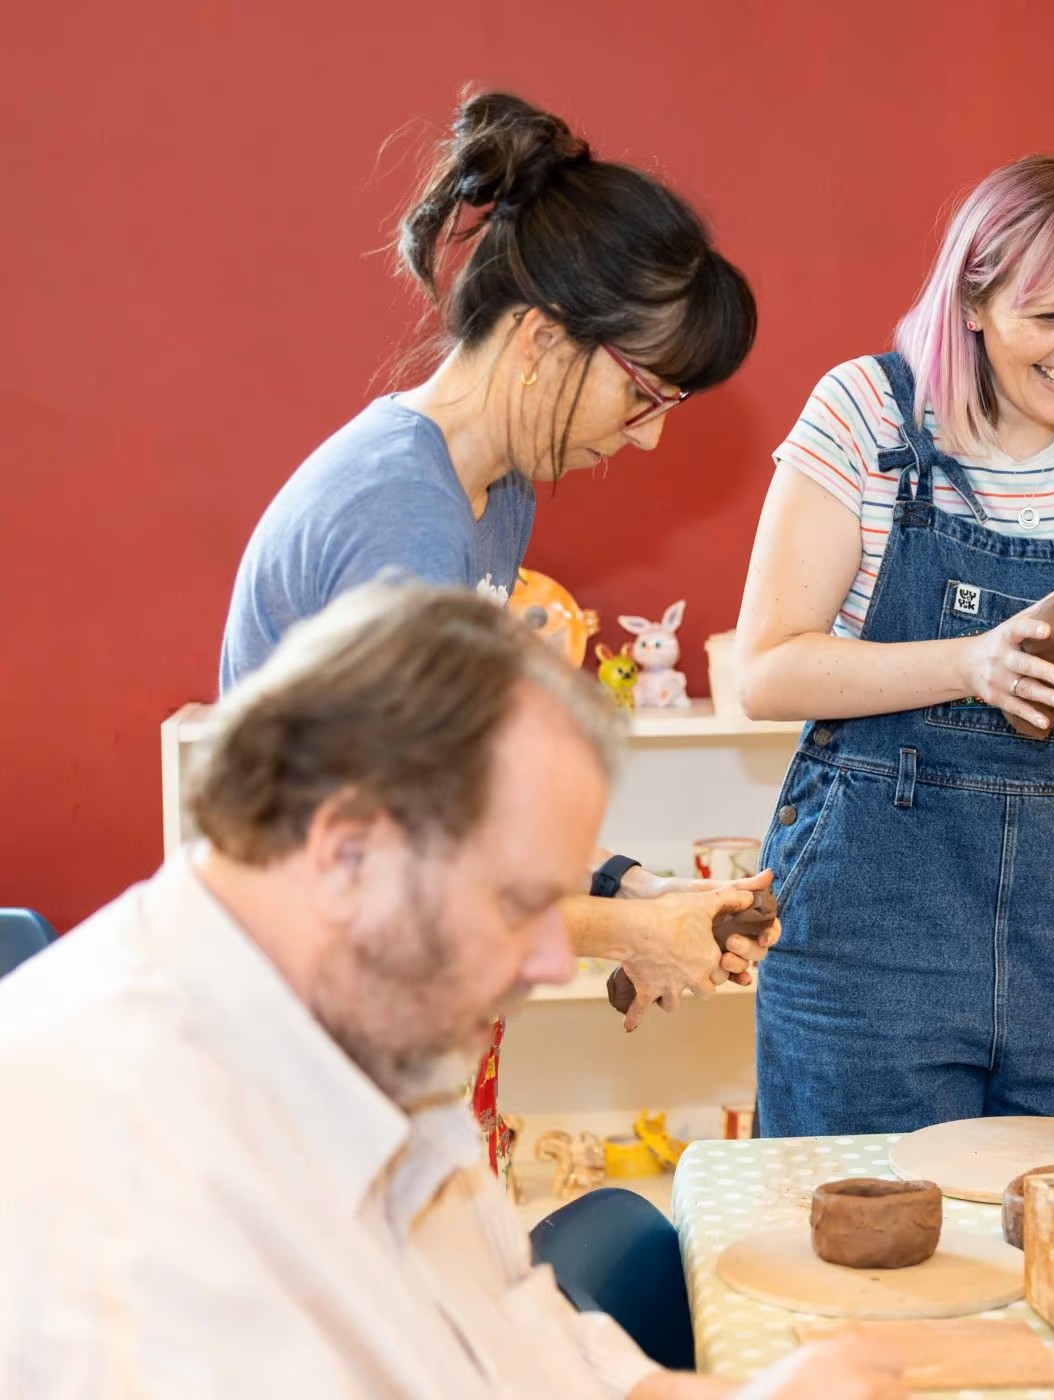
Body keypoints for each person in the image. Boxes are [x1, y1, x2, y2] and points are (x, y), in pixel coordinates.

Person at [0, 585, 900, 1399]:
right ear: (348, 852)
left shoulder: (366, 1024)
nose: (556, 961)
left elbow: (509, 1331)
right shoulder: (111, 1169)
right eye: (520, 902)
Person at [214, 92, 769, 1169]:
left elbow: (463, 795)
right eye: (644, 393)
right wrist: (626, 931)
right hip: (319, 1033)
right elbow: (406, 861)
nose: (648, 441)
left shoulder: (489, 491)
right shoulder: (399, 512)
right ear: (539, 341)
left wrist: (630, 888)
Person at [734, 155, 1054, 1134]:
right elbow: (767, 669)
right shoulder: (865, 413)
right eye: (1051, 317)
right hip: (875, 932)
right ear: (974, 303)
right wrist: (969, 663)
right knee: (858, 1248)